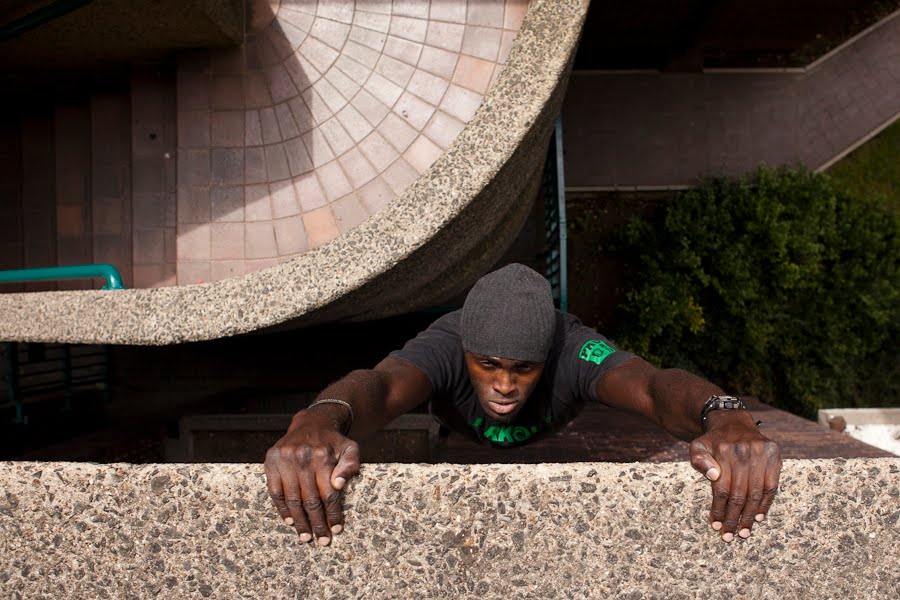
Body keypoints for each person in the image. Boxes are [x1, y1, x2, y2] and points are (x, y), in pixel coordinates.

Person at [265, 263, 782, 546]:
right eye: (487, 366)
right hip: (461, 434)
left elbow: (650, 385)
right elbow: (378, 385)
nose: (505, 386)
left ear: (545, 356)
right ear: (466, 350)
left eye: (523, 369)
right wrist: (319, 417)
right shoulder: (445, 342)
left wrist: (725, 413)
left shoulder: (570, 345)